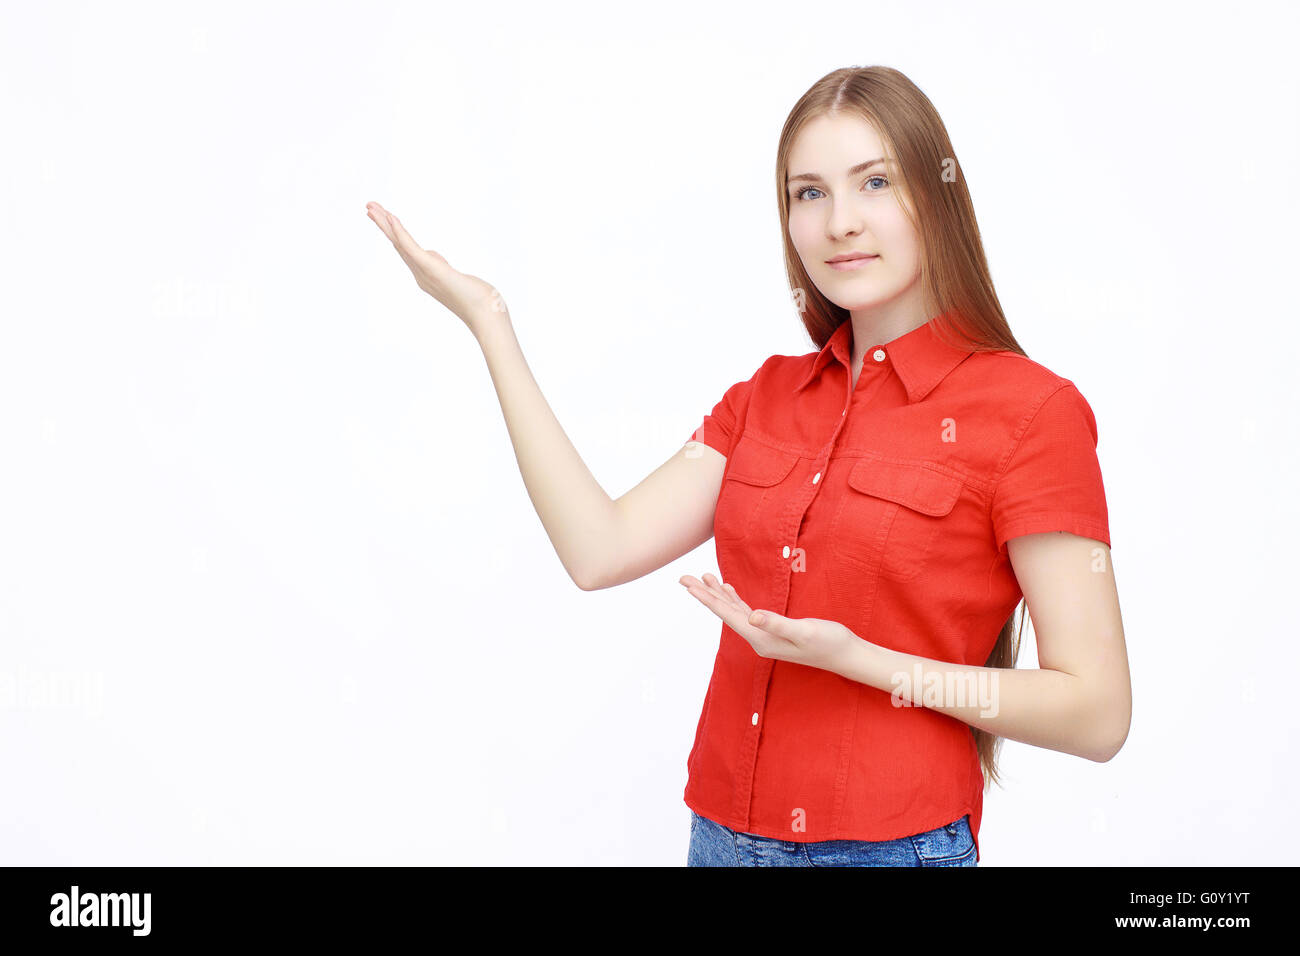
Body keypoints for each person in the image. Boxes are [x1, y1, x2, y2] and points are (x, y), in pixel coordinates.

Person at [364, 64, 1131, 867]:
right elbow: (599, 550)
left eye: (875, 182)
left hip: (892, 852)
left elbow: (1097, 710)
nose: (841, 222)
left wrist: (862, 662)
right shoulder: (764, 398)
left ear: (937, 197)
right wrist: (491, 325)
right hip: (720, 840)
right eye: (809, 193)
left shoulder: (1032, 413)